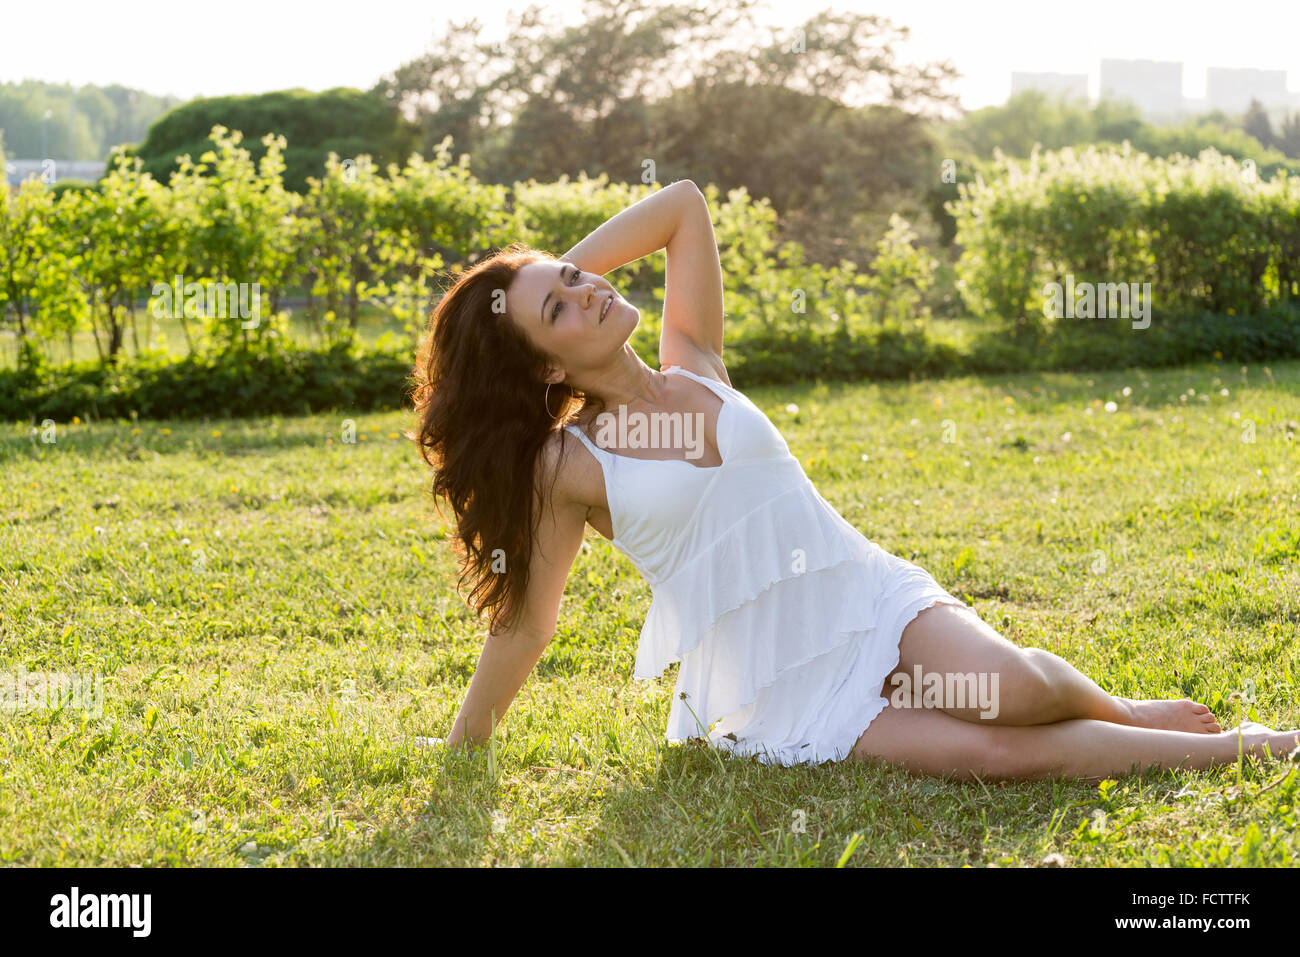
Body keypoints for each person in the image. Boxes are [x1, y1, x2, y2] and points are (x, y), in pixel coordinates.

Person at [410, 179, 1300, 782]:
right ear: (537, 370)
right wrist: (464, 748)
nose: (588, 291)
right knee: (996, 759)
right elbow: (527, 624)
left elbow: (681, 204)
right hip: (779, 688)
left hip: (871, 603)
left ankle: (1127, 709)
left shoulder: (696, 365)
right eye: (558, 310)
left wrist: (549, 283)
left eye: (577, 276)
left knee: (1017, 691)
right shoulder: (570, 465)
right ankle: (1238, 748)